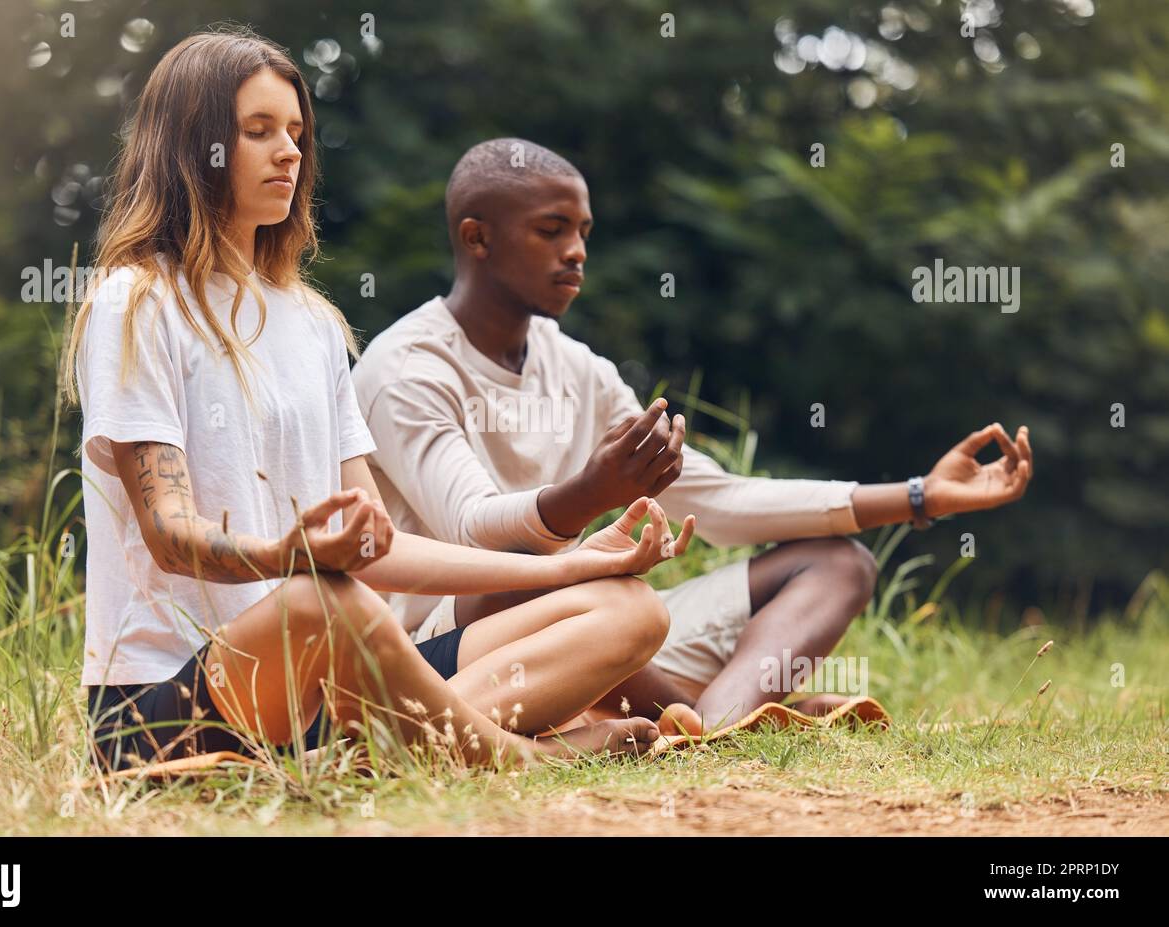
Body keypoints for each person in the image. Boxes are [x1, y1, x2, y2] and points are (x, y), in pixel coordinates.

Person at [61, 34, 697, 772]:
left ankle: (379, 754)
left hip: (325, 692)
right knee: (321, 603)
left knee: (630, 609)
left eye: (297, 133)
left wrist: (574, 565)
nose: (290, 153)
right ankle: (526, 758)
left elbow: (379, 553)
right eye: (258, 130)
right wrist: (285, 556)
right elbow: (169, 533)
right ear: (191, 147)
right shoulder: (137, 303)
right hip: (168, 705)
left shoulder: (312, 322)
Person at [351, 137, 1034, 734]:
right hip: (459, 648)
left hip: (605, 626)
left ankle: (709, 725)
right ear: (478, 238)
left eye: (584, 230)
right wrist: (589, 495)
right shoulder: (406, 367)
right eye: (552, 230)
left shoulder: (575, 366)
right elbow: (473, 530)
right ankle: (703, 717)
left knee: (837, 563)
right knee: (552, 575)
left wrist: (919, 497)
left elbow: (722, 503)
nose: (578, 251)